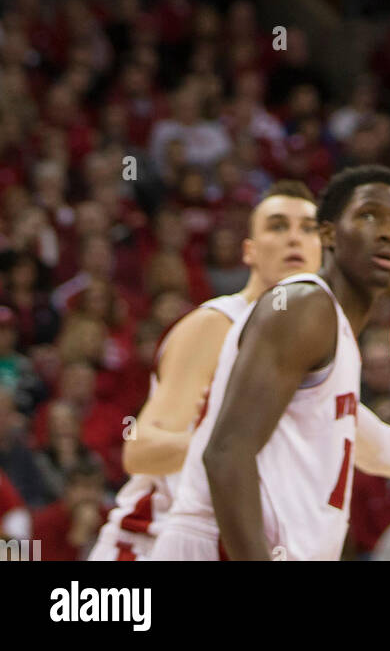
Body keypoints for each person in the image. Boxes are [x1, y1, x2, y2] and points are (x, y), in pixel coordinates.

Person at [153, 166, 390, 561]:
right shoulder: (305, 306)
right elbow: (226, 454)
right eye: (368, 215)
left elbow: (377, 449)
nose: (389, 233)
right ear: (327, 234)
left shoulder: (333, 333)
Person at [89, 181, 323, 560]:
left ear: (322, 250)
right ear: (249, 250)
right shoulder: (216, 324)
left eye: (308, 228)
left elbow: (364, 443)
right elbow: (141, 450)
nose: (294, 239)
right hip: (150, 541)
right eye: (278, 226)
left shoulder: (321, 347)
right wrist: (239, 446)